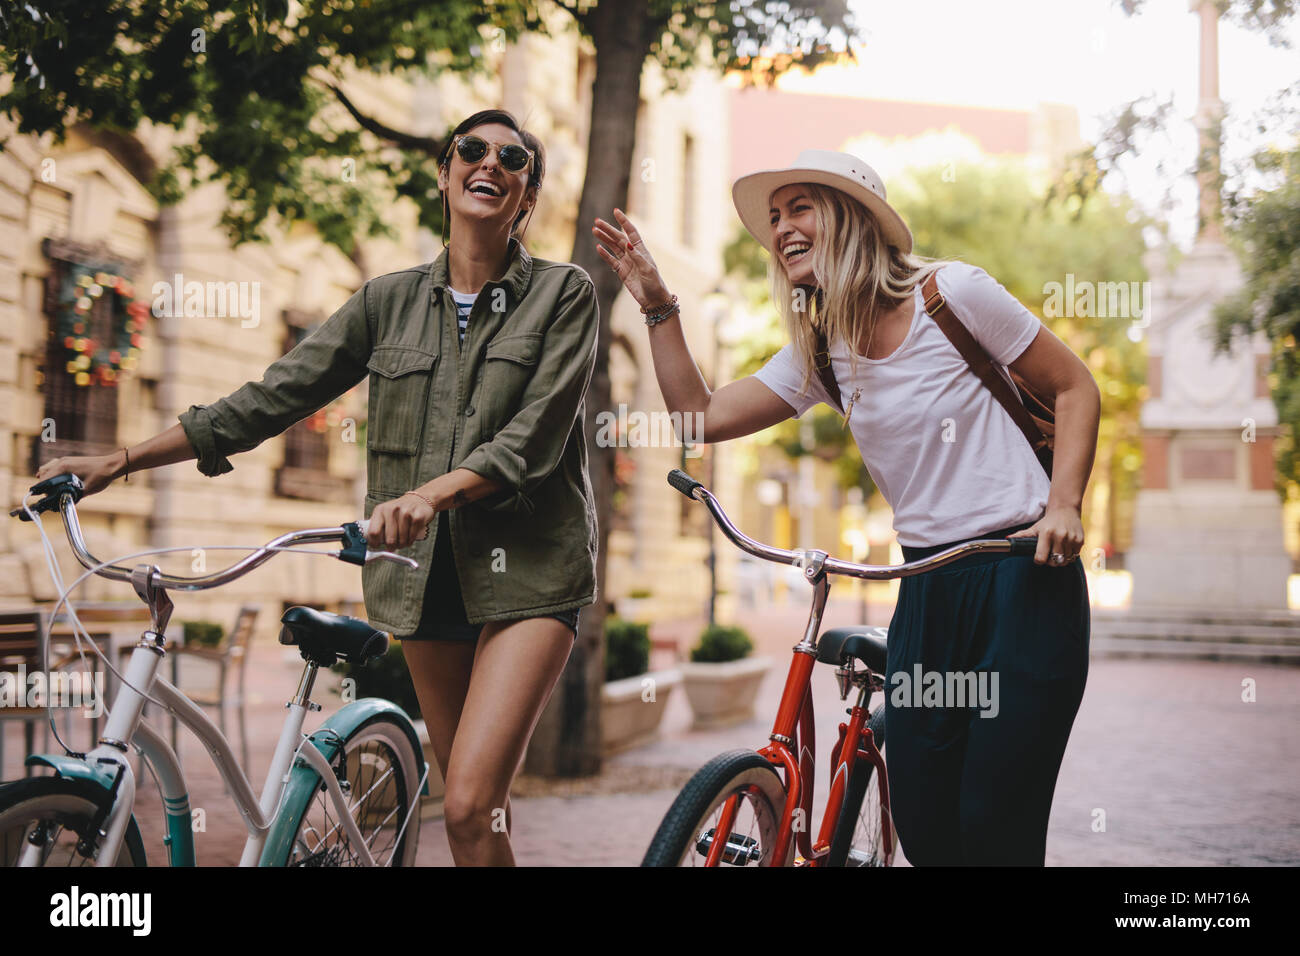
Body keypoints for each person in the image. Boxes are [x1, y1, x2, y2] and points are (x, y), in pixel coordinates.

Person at [36, 108, 601, 867]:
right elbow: (273, 397)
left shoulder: (565, 295)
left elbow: (532, 440)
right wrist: (123, 460)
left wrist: (430, 496)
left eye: (513, 157)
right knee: (476, 814)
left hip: (530, 572)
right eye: (470, 149)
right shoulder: (386, 301)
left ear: (527, 196)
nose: (489, 162)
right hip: (420, 578)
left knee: (469, 805)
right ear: (445, 173)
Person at [592, 149, 1099, 866]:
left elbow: (1076, 387)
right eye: (775, 217)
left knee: (995, 824)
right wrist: (657, 303)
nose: (783, 228)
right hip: (926, 585)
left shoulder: (951, 295)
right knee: (924, 821)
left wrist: (1064, 505)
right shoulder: (821, 350)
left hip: (1023, 576)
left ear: (853, 219)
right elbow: (697, 418)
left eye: (800, 208)